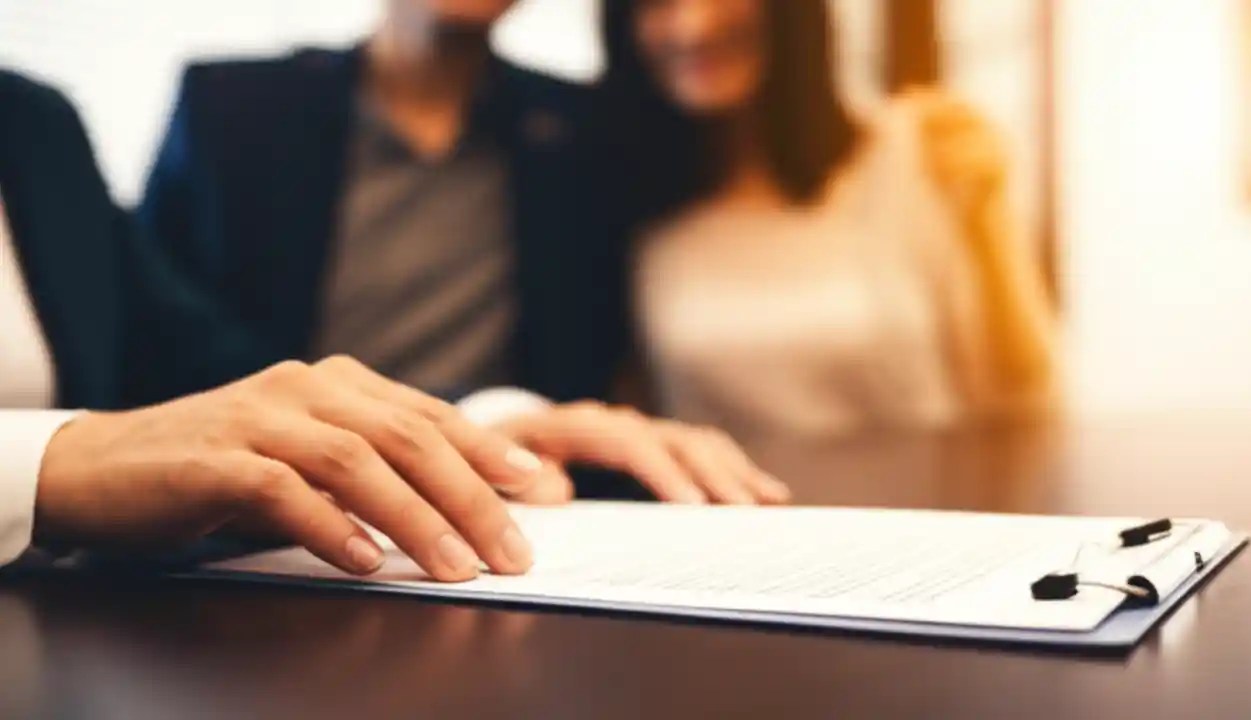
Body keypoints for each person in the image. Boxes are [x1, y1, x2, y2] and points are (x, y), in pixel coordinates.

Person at [0, 68, 789, 576]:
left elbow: (213, 375)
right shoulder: (235, 105)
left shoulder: (35, 125)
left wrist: (483, 425)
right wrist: (49, 460)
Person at [602, 0, 1060, 447]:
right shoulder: (629, 203)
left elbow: (1022, 396)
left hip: (926, 512)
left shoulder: (923, 150)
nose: (693, 26)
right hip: (731, 518)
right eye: (656, 3)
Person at [138, 0, 625, 409]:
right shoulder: (233, 108)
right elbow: (151, 334)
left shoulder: (584, 134)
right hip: (265, 476)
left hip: (508, 479)